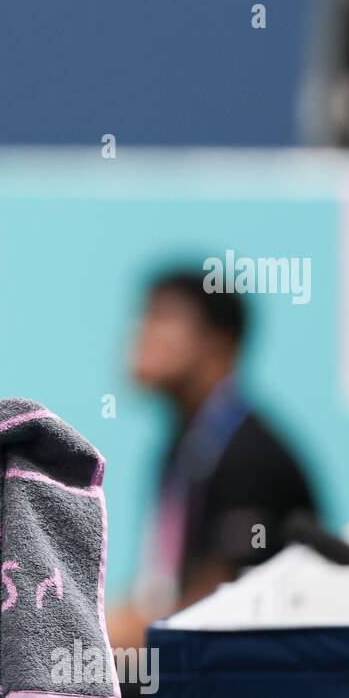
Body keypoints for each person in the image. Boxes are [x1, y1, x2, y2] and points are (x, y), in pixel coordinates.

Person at [108, 270, 319, 653]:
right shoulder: (183, 447)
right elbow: (162, 593)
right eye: (142, 317)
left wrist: (115, 638)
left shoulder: (251, 456)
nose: (140, 335)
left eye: (163, 318)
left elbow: (223, 609)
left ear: (220, 345)